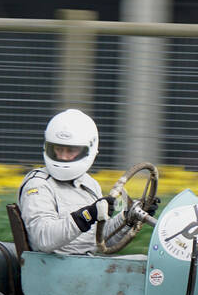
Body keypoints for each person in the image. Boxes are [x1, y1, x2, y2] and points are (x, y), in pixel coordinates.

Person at [18, 109, 128, 254]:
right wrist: (87, 215)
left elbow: (100, 240)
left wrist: (128, 219)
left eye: (71, 150)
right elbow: (43, 238)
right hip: (53, 269)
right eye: (58, 149)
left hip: (85, 265)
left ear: (88, 150)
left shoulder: (90, 184)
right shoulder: (38, 184)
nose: (63, 157)